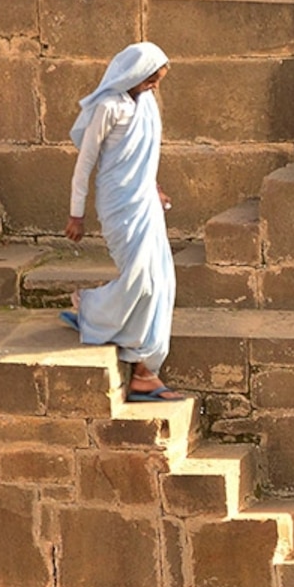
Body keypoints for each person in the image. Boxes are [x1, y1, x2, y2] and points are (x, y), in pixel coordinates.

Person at [62, 41, 178, 402]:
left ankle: (146, 371)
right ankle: (90, 307)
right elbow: (86, 164)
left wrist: (155, 187)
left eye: (157, 81)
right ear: (134, 74)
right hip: (117, 203)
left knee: (163, 281)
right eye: (150, 80)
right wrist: (76, 213)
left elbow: (146, 153)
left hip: (144, 201)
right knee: (141, 280)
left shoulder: (147, 105)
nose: (154, 87)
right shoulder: (108, 107)